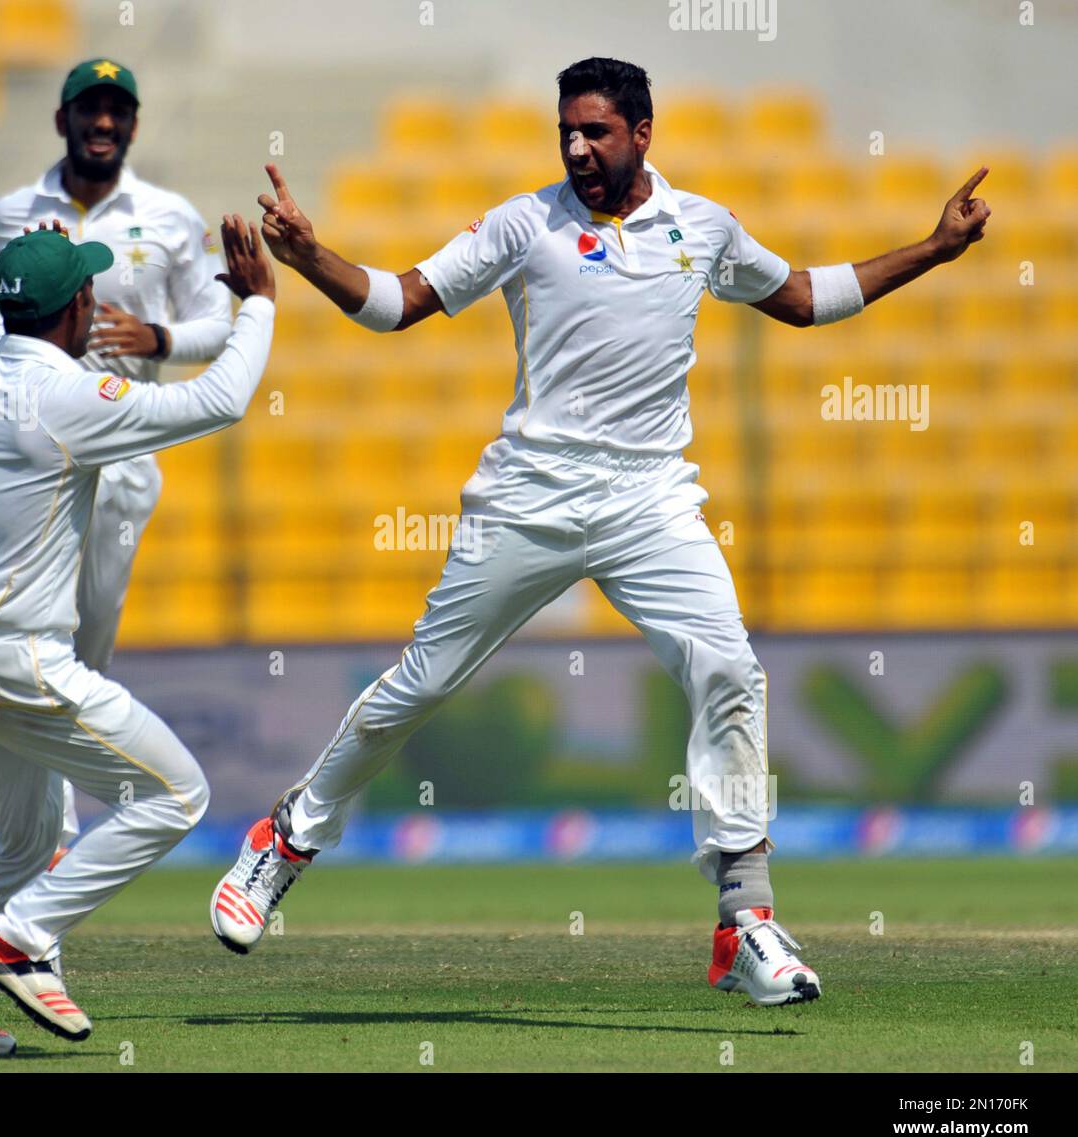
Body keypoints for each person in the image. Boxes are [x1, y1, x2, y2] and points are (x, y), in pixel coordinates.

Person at [209, 57, 991, 1006]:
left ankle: (745, 920)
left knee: (730, 669)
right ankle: (286, 838)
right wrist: (310, 258)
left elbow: (804, 298)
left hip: (652, 500)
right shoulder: (521, 222)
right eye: (566, 133)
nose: (578, 149)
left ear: (642, 133)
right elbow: (398, 303)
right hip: (530, 496)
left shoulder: (702, 226)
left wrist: (932, 250)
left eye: (597, 132)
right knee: (421, 684)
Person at [0, 216, 274, 1056]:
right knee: (174, 795)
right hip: (23, 658)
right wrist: (260, 305)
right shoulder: (68, 399)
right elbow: (220, 401)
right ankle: (20, 937)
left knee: (21, 836)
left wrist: (25, 267)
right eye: (88, 286)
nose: (99, 298)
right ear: (77, 304)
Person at [0, 58, 232, 851]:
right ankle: (52, 831)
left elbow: (218, 321)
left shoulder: (169, 215)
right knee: (31, 628)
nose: (104, 123)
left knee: (86, 637)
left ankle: (48, 820)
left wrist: (162, 338)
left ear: (133, 124)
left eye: (117, 111)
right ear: (62, 120)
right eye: (89, 110)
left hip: (119, 452)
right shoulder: (13, 212)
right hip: (29, 444)